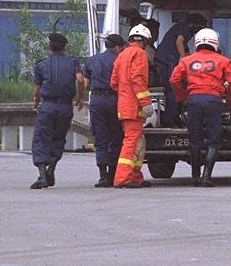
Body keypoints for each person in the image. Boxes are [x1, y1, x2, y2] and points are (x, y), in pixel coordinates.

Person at [170, 28, 231, 187]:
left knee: (195, 138)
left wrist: (183, 97)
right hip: (214, 100)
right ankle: (206, 177)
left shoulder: (186, 60)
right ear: (215, 43)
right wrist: (229, 99)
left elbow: (174, 80)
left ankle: (195, 176)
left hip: (194, 99)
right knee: (214, 138)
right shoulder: (223, 60)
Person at [30, 33, 82, 189]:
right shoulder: (73, 62)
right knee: (58, 138)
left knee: (41, 138)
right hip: (65, 107)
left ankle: (42, 175)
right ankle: (51, 169)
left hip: (48, 106)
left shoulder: (41, 65)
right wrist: (80, 97)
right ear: (64, 47)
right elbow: (80, 79)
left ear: (49, 47)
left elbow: (37, 89)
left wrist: (36, 101)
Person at [110, 24, 154, 188]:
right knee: (131, 142)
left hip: (124, 105)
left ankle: (135, 176)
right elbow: (138, 79)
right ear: (144, 41)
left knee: (138, 142)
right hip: (134, 107)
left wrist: (124, 94)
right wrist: (145, 102)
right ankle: (123, 178)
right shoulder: (140, 54)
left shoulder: (122, 55)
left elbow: (114, 82)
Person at [83, 33, 126, 187]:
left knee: (100, 138)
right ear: (118, 47)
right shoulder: (120, 59)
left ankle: (102, 176)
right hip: (115, 99)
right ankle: (113, 174)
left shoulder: (92, 60)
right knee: (116, 136)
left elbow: (86, 84)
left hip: (97, 100)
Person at [155, 13, 207, 126]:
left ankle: (175, 117)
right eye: (200, 27)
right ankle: (169, 120)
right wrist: (184, 59)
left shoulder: (183, 29)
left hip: (168, 59)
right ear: (193, 24)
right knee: (172, 88)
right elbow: (179, 42)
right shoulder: (183, 27)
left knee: (177, 88)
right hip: (167, 60)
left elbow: (184, 46)